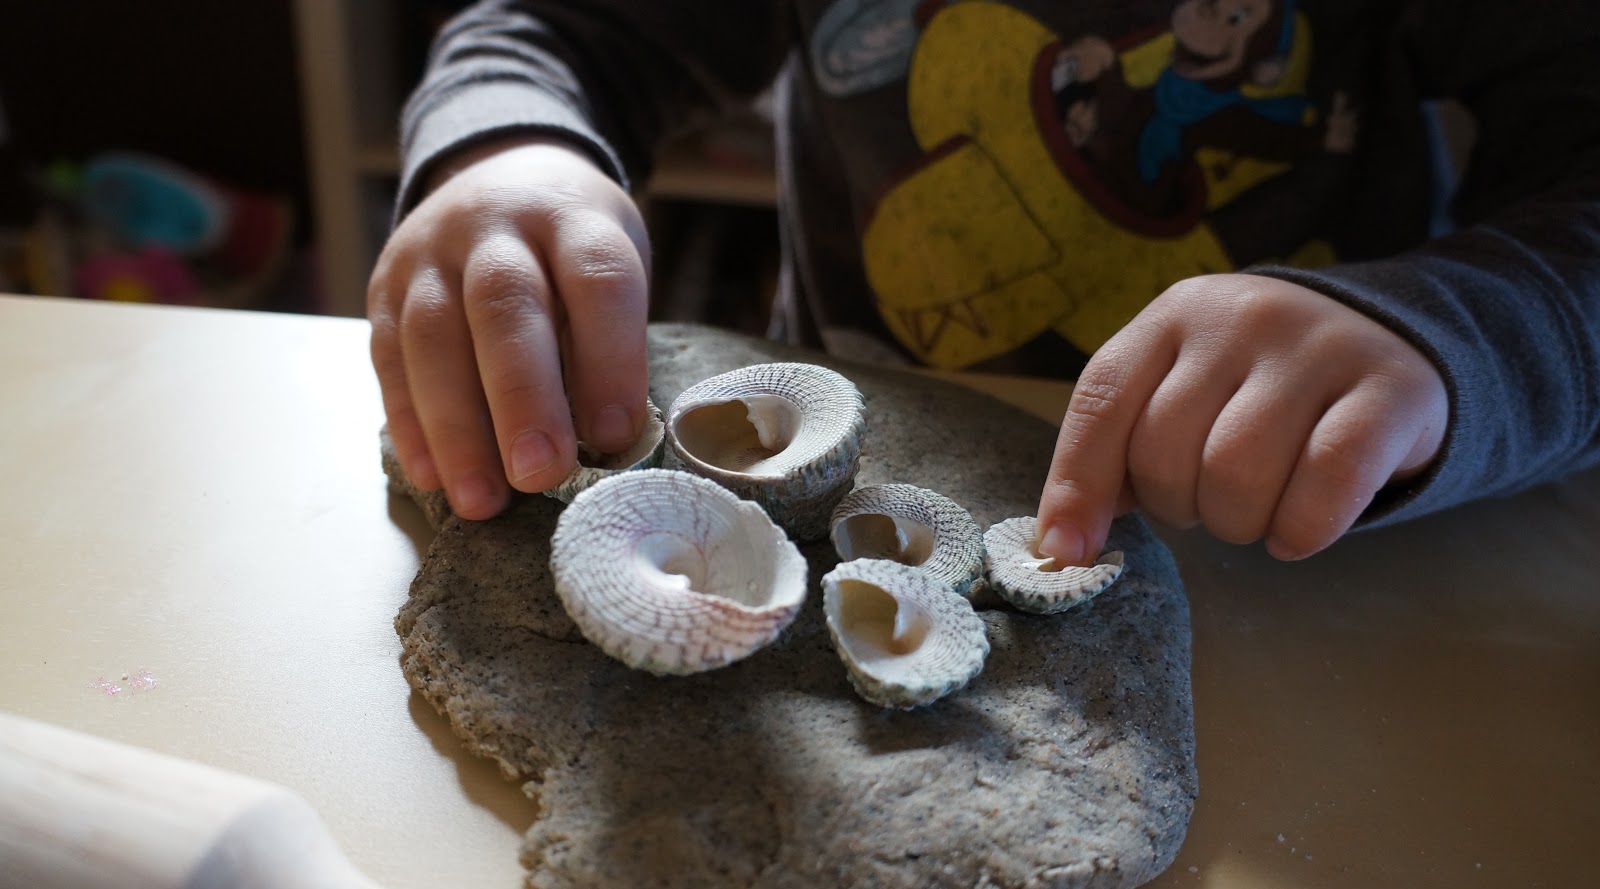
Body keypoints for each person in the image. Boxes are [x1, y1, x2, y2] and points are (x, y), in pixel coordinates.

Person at [369, 0, 1600, 564]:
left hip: (1331, 577)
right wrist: (503, 151)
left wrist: (1447, 343)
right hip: (847, 498)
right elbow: (556, 32)